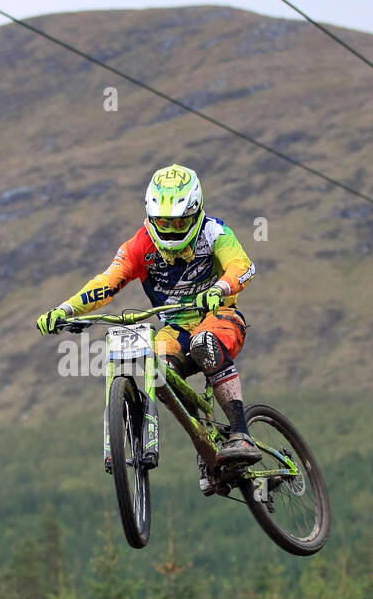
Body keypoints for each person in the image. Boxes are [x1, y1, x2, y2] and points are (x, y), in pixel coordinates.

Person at [36, 164, 260, 492]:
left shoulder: (215, 232)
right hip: (174, 329)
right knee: (158, 372)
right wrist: (66, 309)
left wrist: (221, 288)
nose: (170, 230)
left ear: (196, 211)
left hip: (221, 317)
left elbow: (243, 266)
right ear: (151, 216)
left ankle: (241, 433)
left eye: (179, 222)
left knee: (205, 342)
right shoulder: (138, 246)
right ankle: (207, 449)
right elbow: (107, 283)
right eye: (163, 222)